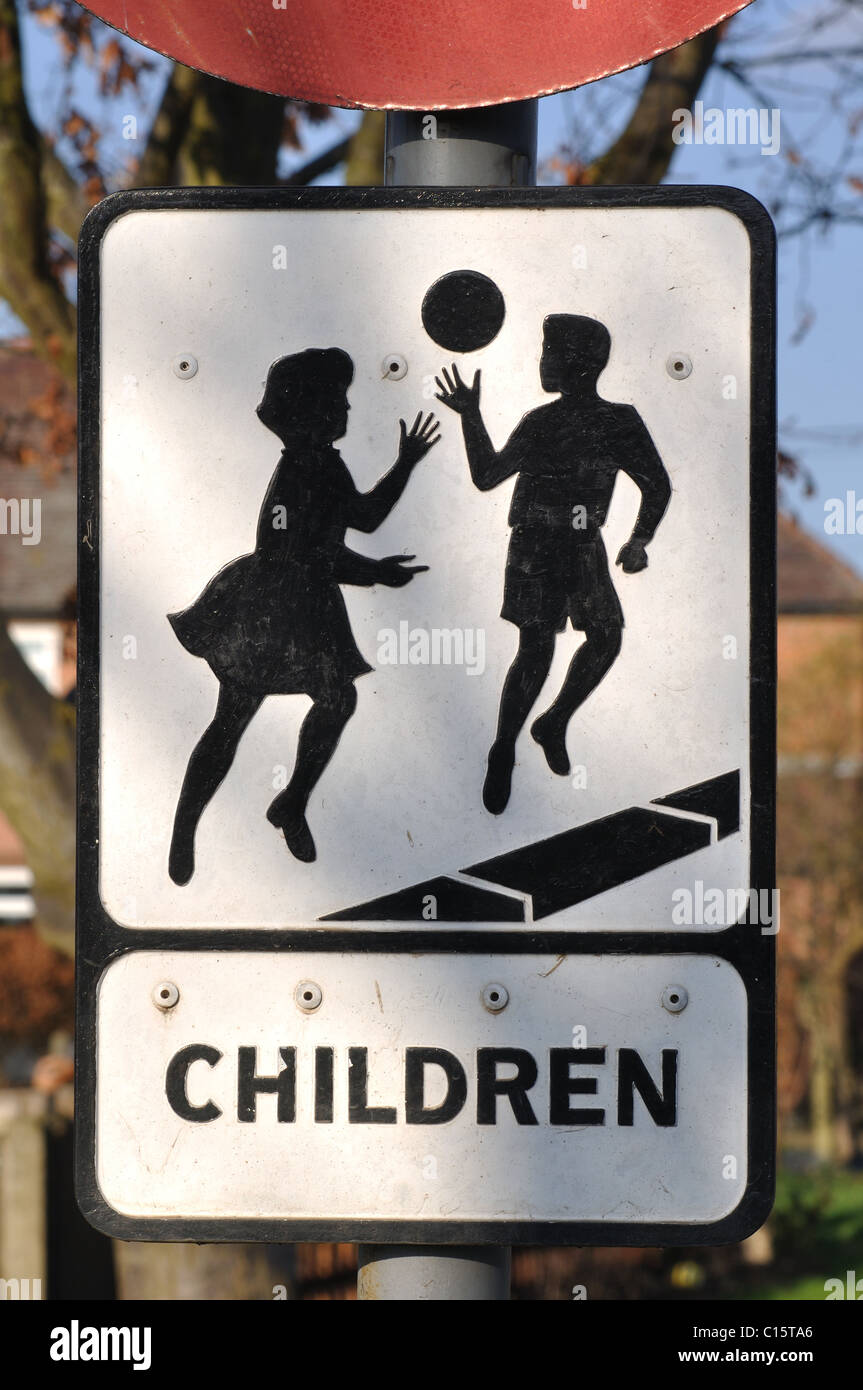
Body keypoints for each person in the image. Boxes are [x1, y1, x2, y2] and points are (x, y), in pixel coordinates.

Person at [168, 348, 439, 881]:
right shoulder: (308, 466)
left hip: (297, 604)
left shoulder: (319, 462)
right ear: (313, 411)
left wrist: (374, 569)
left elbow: (342, 532)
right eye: (339, 401)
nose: (347, 411)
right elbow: (340, 534)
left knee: (312, 702)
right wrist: (404, 467)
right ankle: (191, 823)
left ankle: (287, 803)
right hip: (275, 607)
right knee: (244, 715)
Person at [436, 314, 671, 814]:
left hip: (585, 544)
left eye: (549, 351)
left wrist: (639, 540)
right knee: (536, 649)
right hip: (535, 543)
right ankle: (504, 748)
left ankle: (554, 721)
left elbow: (657, 483)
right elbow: (487, 475)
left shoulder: (619, 420)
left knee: (607, 634)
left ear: (579, 364)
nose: (541, 360)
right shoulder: (540, 422)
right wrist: (469, 415)